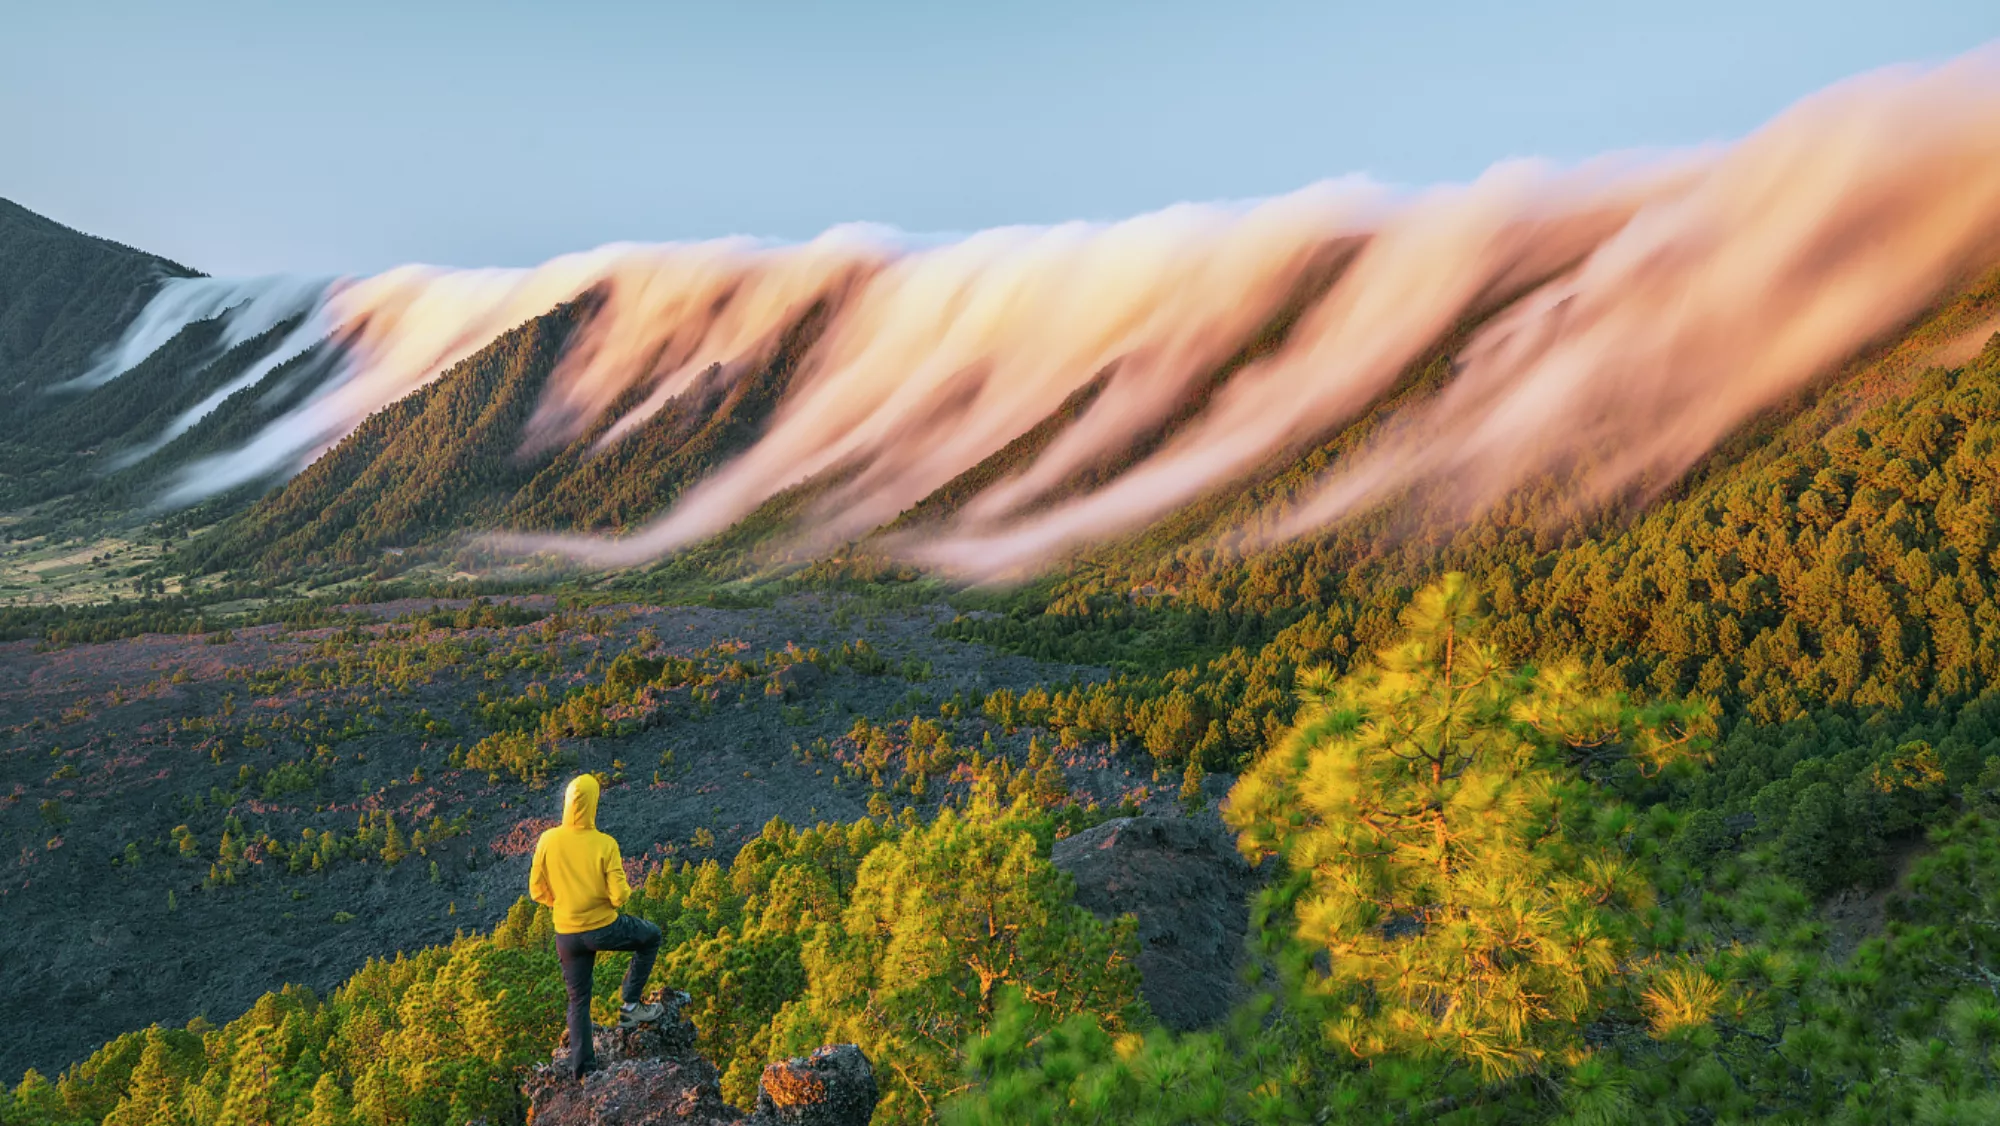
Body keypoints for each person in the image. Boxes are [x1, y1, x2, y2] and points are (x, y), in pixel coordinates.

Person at [529, 773, 664, 1078]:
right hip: (604, 927)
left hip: (566, 934)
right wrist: (606, 900)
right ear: (593, 804)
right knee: (650, 936)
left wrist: (564, 906)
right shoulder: (605, 844)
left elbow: (537, 891)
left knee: (578, 1001)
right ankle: (631, 1006)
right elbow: (619, 896)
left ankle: (584, 1074)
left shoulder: (547, 840)